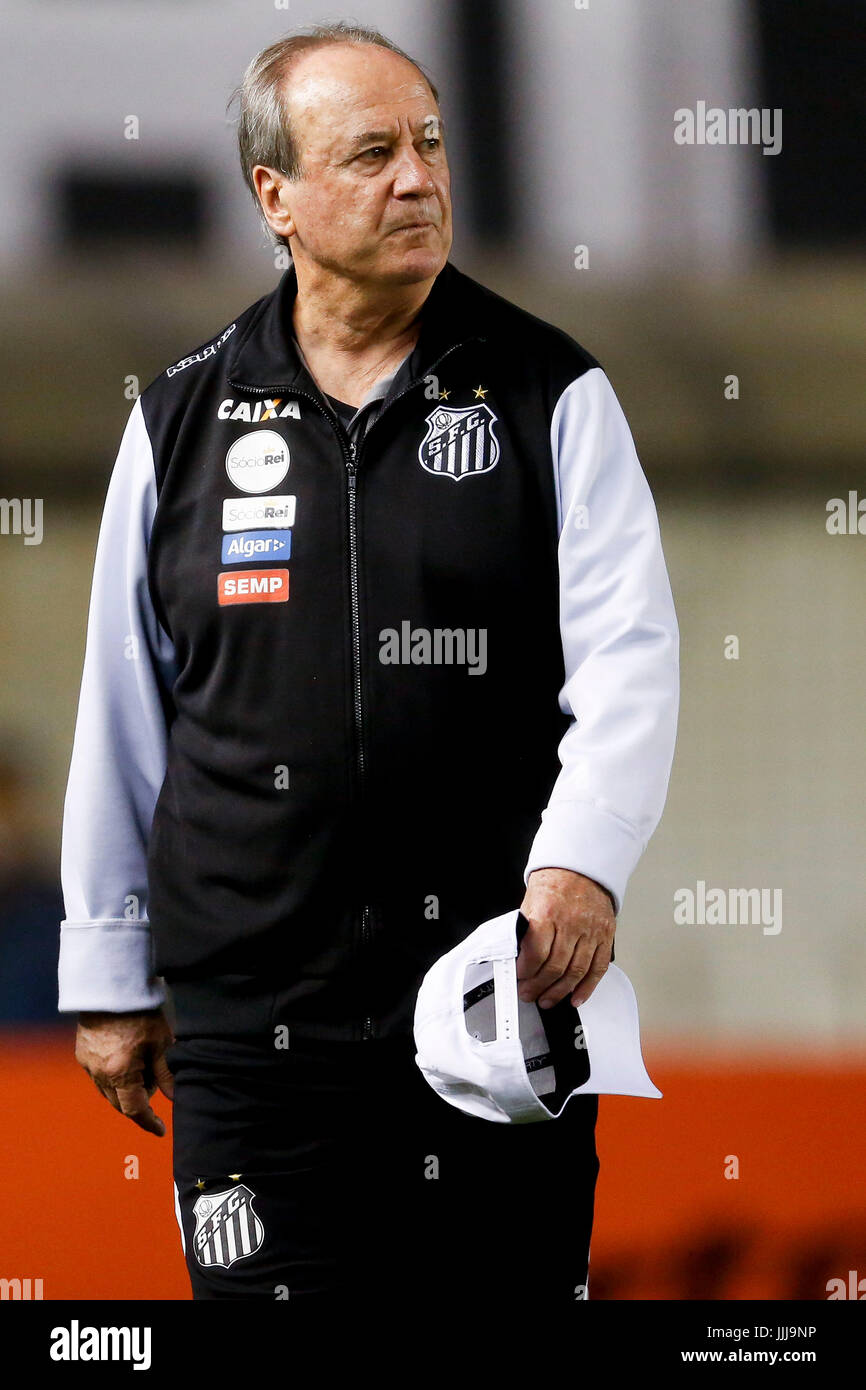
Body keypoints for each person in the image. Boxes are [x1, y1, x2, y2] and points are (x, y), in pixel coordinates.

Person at [59, 22, 679, 1312]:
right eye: (373, 153)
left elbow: (629, 657)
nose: (420, 179)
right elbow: (122, 711)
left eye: (433, 144)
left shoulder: (551, 392)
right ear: (273, 197)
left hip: (489, 1004)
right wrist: (111, 973)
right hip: (250, 1036)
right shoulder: (178, 419)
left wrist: (582, 862)